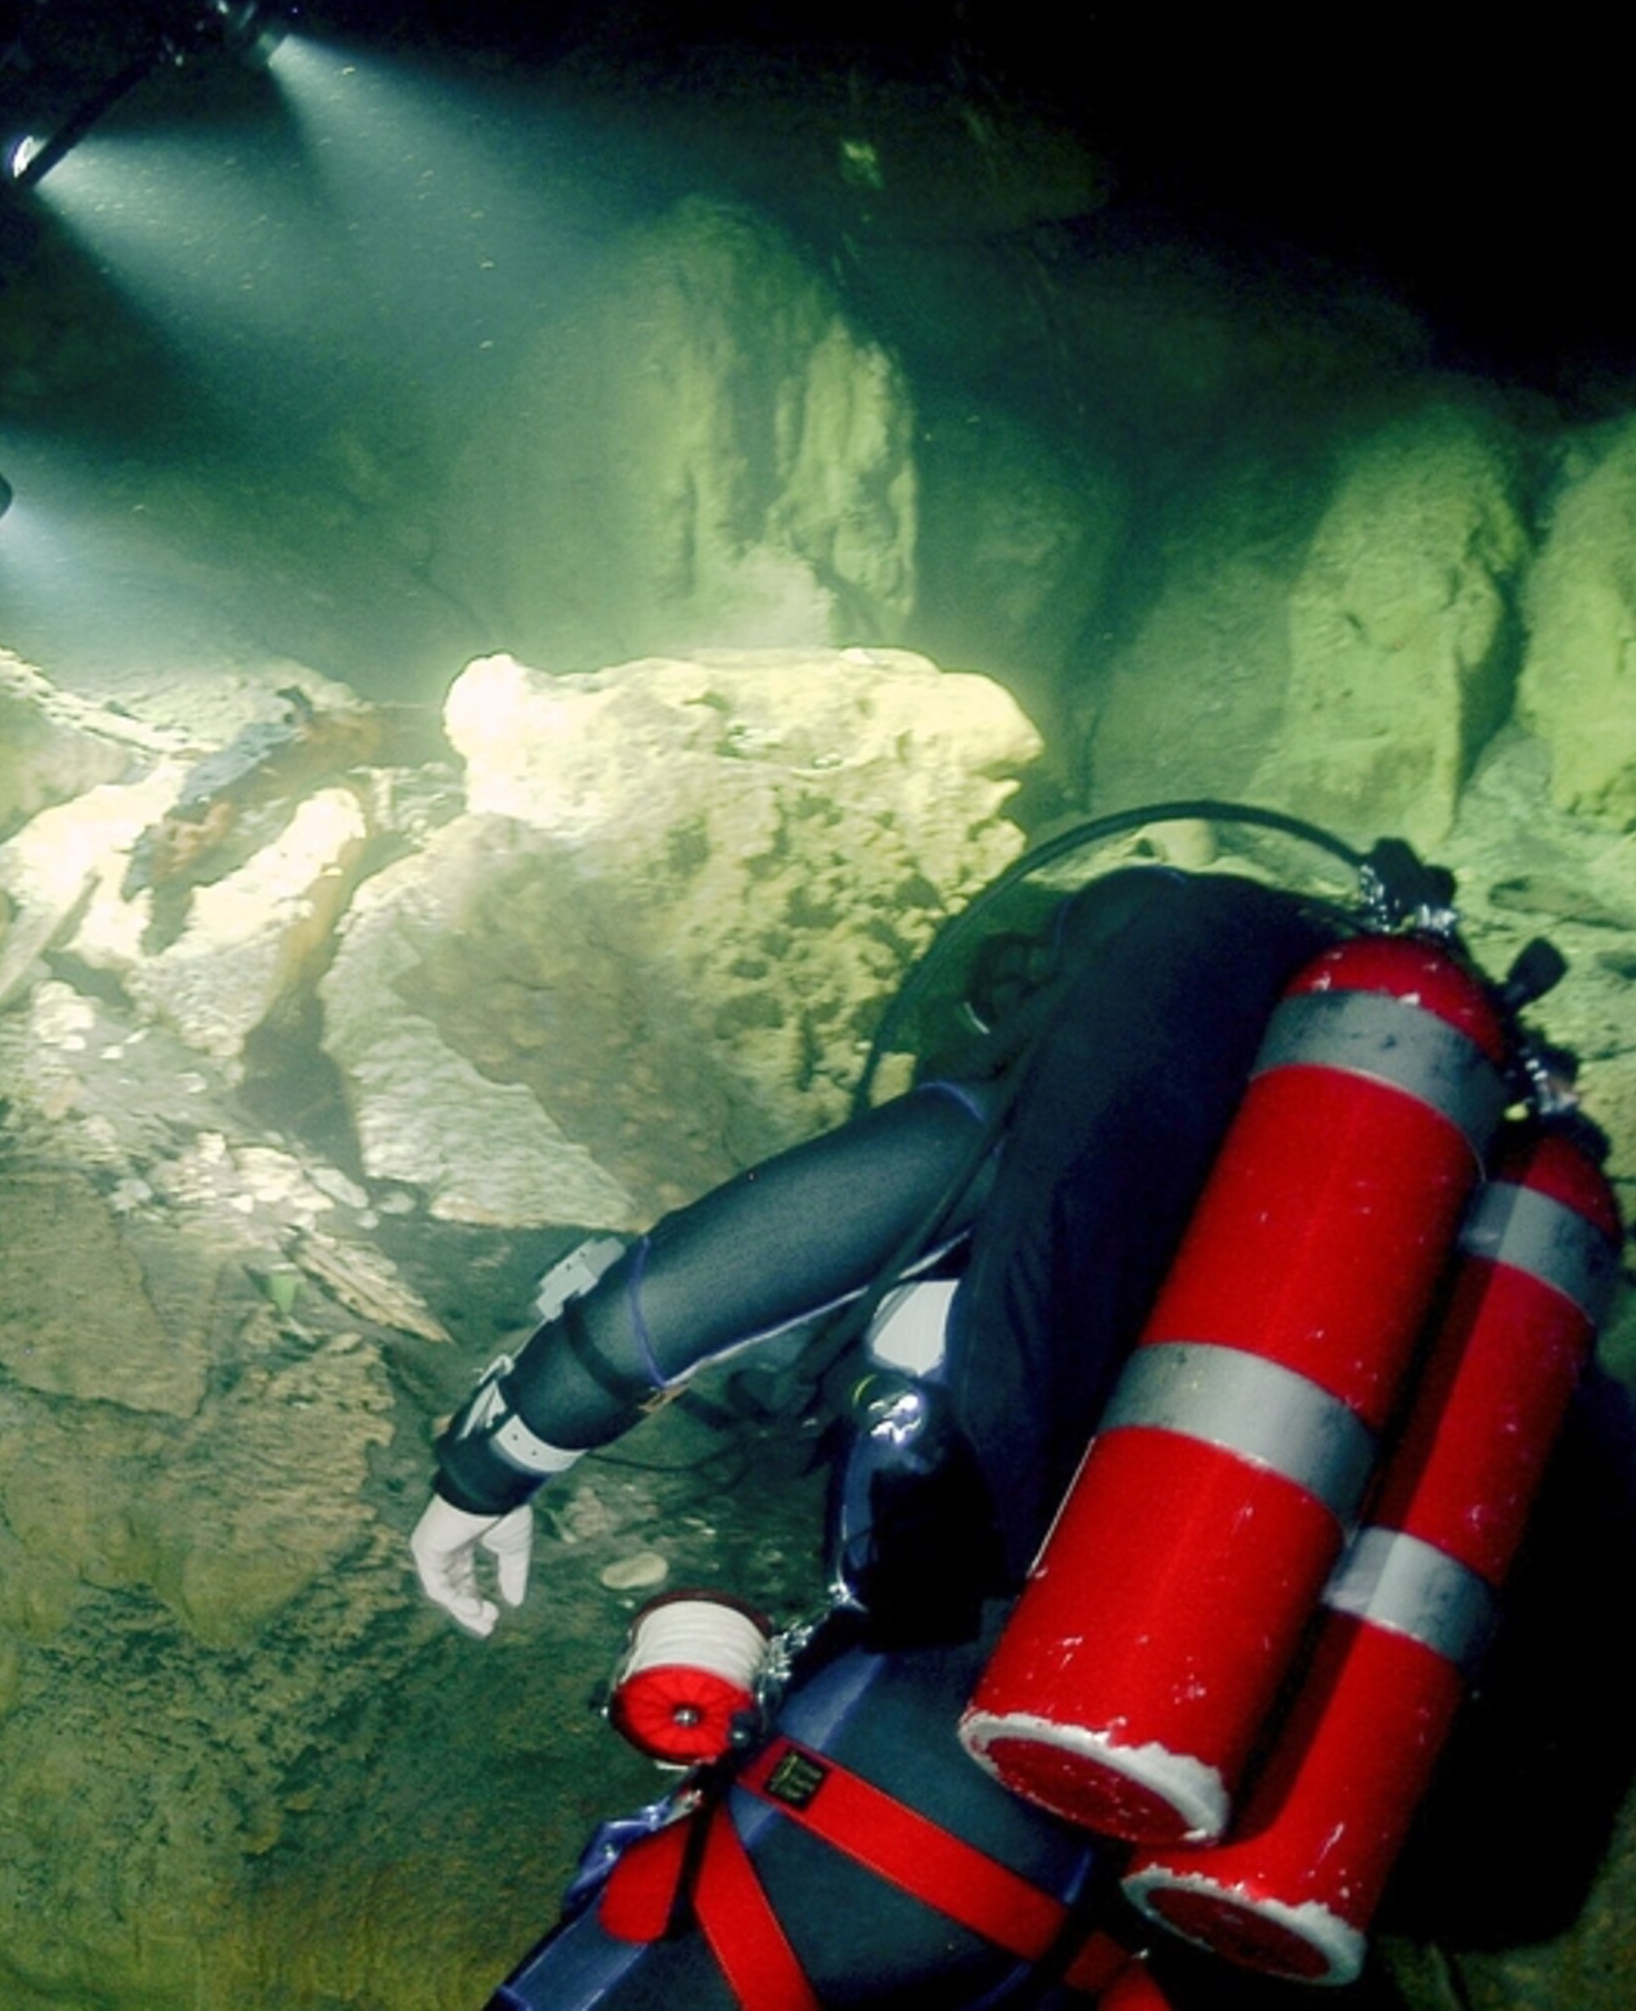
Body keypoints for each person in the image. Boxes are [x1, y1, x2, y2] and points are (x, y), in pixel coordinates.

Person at [412, 858, 1355, 2008]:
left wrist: (495, 1457)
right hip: (1159, 1862)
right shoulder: (1361, 1240)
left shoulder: (1071, 1104)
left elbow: (718, 1272)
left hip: (908, 1818)